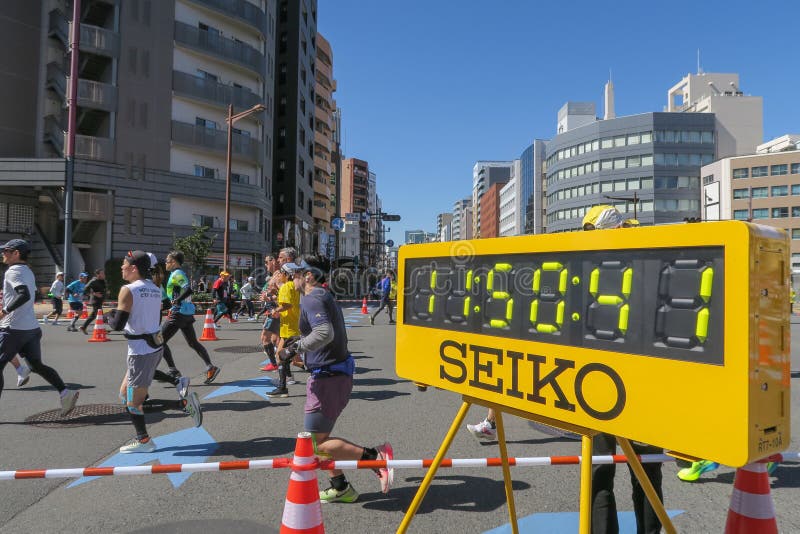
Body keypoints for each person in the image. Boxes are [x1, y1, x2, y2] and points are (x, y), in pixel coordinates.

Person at [278, 255, 393, 502]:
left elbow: (324, 332)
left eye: (293, 274)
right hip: (332, 374)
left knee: (315, 444)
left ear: (308, 275)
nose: (290, 279)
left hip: (329, 378)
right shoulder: (321, 295)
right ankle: (341, 487)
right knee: (319, 442)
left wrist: (293, 349)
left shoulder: (312, 297)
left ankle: (375, 458)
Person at [581, 206, 662, 534]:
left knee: (609, 472)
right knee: (640, 472)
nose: (588, 239)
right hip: (637, 380)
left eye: (591, 232)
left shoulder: (602, 261)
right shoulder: (652, 253)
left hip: (608, 381)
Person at [106, 250, 202, 453]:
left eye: (124, 264)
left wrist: (109, 314)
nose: (121, 267)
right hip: (154, 347)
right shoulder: (155, 288)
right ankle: (181, 399)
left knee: (132, 402)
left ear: (133, 267)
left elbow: (117, 325)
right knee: (125, 395)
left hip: (140, 352)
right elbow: (156, 317)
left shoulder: (128, 290)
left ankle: (144, 441)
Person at [0, 239, 79, 414]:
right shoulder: (28, 271)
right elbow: (32, 296)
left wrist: (4, 310)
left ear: (16, 254)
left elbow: (24, 294)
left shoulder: (12, 271)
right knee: (36, 365)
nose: (3, 254)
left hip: (13, 328)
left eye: (6, 251)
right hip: (31, 329)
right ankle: (65, 392)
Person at [162, 251, 220, 385]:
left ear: (174, 262)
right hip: (186, 313)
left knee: (160, 341)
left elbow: (188, 289)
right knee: (192, 342)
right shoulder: (176, 274)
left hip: (179, 312)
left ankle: (173, 370)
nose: (165, 263)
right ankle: (210, 367)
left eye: (167, 261)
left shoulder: (177, 274)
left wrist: (176, 301)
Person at [266, 264, 301, 395]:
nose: (279, 274)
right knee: (282, 356)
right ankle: (283, 384)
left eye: (281, 272)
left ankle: (283, 387)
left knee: (282, 357)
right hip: (293, 325)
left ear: (286, 274)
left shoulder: (287, 286)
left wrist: (275, 310)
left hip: (289, 328)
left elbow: (286, 305)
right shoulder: (294, 286)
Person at [259, 255, 281, 371]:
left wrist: (269, 299)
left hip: (275, 312)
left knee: (265, 338)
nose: (265, 264)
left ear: (273, 261)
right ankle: (285, 368)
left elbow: (282, 294)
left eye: (266, 262)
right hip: (274, 311)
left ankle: (275, 364)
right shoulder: (274, 275)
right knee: (276, 340)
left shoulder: (278, 276)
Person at [79, 268, 107, 335]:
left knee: (97, 315)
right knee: (97, 315)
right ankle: (84, 327)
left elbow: (103, 288)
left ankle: (84, 327)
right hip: (95, 300)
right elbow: (85, 289)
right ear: (98, 275)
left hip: (99, 300)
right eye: (102, 273)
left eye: (104, 273)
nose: (104, 274)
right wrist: (94, 294)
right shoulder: (93, 281)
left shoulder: (102, 280)